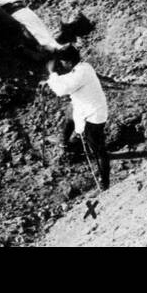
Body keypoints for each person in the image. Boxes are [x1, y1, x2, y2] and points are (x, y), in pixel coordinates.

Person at [44, 46, 110, 190]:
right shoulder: (82, 67)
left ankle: (104, 182)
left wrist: (51, 74)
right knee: (70, 112)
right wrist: (54, 78)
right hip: (87, 109)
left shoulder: (81, 73)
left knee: (98, 150)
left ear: (68, 62)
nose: (62, 65)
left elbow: (62, 90)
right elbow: (67, 79)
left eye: (63, 62)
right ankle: (65, 142)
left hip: (94, 115)